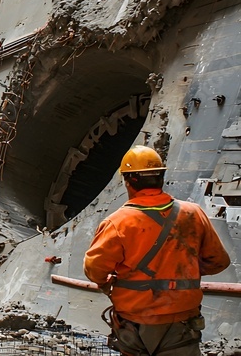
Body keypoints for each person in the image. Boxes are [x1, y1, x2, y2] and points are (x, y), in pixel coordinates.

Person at [84, 145, 230, 356]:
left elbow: (94, 269)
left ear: (128, 180)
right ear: (161, 177)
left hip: (135, 322)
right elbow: (219, 262)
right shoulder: (193, 213)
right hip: (182, 321)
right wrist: (182, 271)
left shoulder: (117, 223)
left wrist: (107, 284)